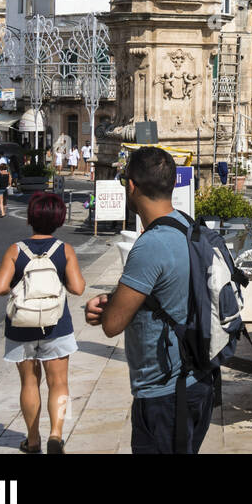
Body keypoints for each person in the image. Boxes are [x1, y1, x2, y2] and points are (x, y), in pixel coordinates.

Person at [85, 146, 215, 454]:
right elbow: (168, 290)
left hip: (164, 394)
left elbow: (113, 325)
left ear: (131, 186)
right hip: (198, 381)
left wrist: (107, 309)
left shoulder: (150, 245)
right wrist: (115, 300)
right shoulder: (188, 226)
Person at [0, 193, 84, 454]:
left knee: (29, 383)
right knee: (59, 383)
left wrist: (18, 286)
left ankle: (33, 440)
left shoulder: (15, 250)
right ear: (59, 219)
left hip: (21, 325)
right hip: (56, 325)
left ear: (30, 218)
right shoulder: (64, 250)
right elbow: (77, 288)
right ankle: (56, 435)